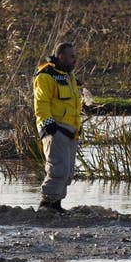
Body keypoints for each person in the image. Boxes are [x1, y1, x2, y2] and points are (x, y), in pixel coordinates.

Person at [32, 42, 83, 213]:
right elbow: (41, 102)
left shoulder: (69, 76)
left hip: (71, 130)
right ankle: (46, 206)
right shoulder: (46, 75)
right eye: (71, 56)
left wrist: (77, 127)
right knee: (57, 170)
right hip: (55, 129)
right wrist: (49, 125)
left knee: (67, 172)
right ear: (61, 56)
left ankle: (56, 206)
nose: (74, 60)